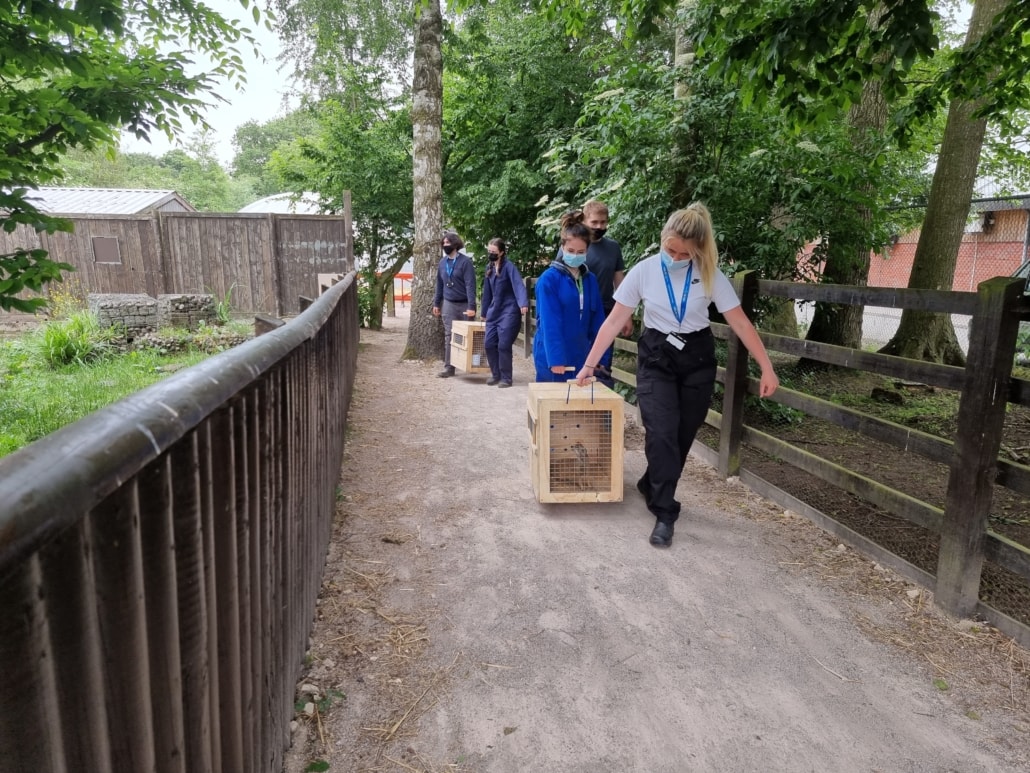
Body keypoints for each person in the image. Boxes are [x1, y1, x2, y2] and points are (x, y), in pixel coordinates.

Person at [576, 203, 779, 548]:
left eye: (684, 253)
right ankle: (665, 510)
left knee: (684, 434)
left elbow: (740, 322)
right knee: (662, 432)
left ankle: (651, 482)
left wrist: (767, 366)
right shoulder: (644, 271)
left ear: (698, 250)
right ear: (663, 239)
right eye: (670, 249)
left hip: (697, 357)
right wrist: (589, 365)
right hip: (656, 357)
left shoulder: (710, 273)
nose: (675, 256)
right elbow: (613, 321)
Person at [533, 212, 610, 382]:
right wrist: (556, 359)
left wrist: (599, 357)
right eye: (571, 251)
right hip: (552, 356)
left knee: (579, 406)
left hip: (581, 354)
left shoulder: (590, 280)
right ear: (562, 248)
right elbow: (549, 322)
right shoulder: (548, 280)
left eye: (581, 251)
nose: (575, 255)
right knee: (552, 406)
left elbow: (598, 321)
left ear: (587, 251)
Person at [480, 237, 529, 388]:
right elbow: (487, 292)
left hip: (509, 310)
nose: (491, 254)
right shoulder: (489, 268)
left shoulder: (509, 267)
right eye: (489, 251)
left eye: (493, 252)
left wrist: (523, 303)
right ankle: (496, 375)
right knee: (488, 343)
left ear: (501, 252)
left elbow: (518, 285)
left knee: (503, 345)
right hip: (494, 311)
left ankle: (506, 378)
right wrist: (483, 312)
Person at [432, 231, 477, 377]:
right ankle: (449, 368)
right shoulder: (442, 263)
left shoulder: (465, 262)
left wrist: (472, 307)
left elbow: (471, 285)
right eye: (444, 243)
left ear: (455, 244)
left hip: (464, 304)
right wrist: (436, 303)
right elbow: (439, 285)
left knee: (470, 335)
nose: (446, 245)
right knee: (449, 335)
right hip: (449, 304)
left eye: (448, 243)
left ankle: (473, 363)